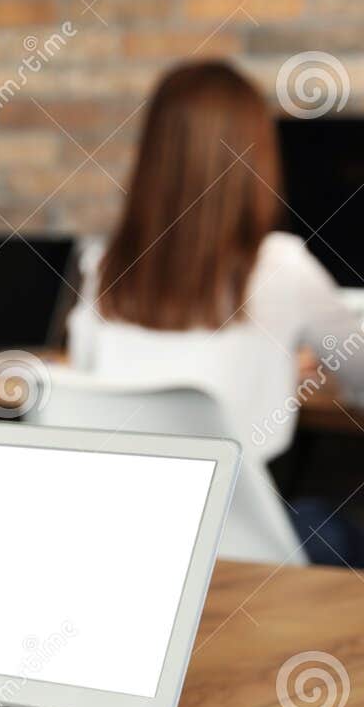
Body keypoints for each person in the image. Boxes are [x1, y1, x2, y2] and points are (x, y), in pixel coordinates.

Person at [67, 58, 364, 566]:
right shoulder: (283, 267)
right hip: (243, 558)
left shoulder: (102, 269)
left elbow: (89, 386)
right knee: (331, 522)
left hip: (125, 550)